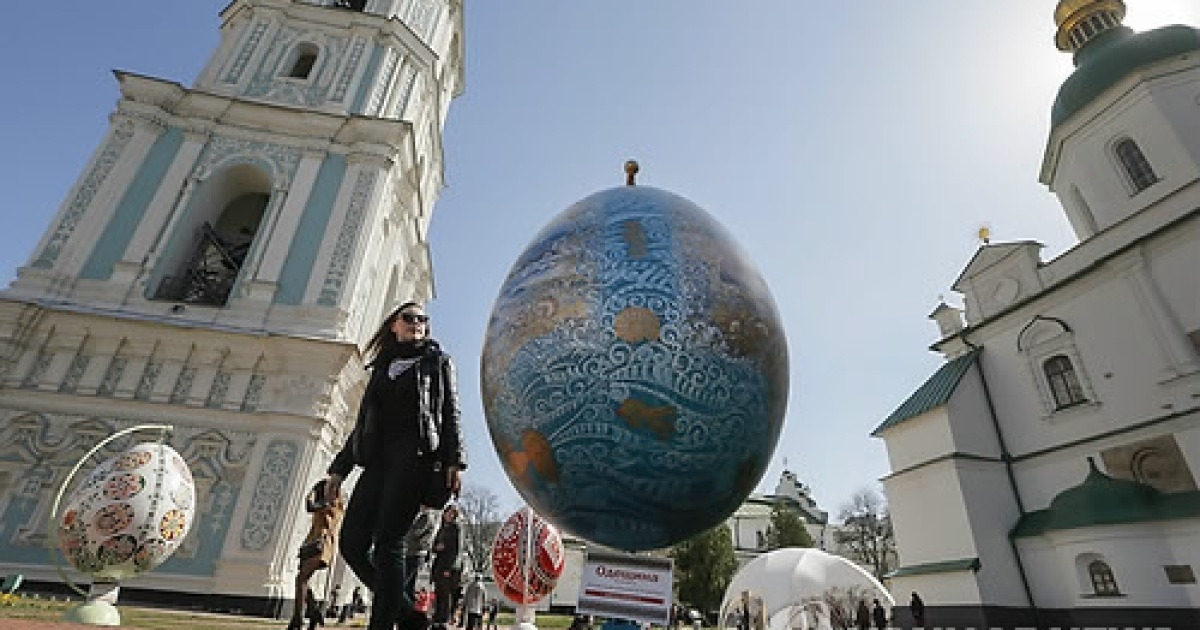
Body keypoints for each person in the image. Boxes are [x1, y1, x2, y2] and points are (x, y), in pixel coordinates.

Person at [324, 302, 467, 630]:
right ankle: (406, 614)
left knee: (389, 542)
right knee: (352, 544)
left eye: (423, 319)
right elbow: (363, 426)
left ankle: (383, 623)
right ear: (394, 325)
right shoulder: (382, 367)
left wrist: (454, 461)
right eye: (410, 317)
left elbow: (451, 413)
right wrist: (339, 469)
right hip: (377, 463)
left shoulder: (437, 362)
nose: (417, 323)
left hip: (415, 460)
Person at [288, 481, 345, 630]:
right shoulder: (336, 503)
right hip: (313, 540)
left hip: (321, 542)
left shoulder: (330, 504)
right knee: (303, 578)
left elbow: (310, 506)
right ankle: (314, 613)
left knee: (302, 578)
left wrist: (311, 493)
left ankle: (298, 619)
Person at [431, 504, 465, 630]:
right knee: (438, 593)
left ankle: (443, 620)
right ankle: (437, 619)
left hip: (448, 565)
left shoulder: (456, 528)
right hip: (439, 563)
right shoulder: (442, 528)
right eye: (448, 513)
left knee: (445, 594)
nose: (449, 516)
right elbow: (434, 545)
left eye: (452, 514)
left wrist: (449, 568)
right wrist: (437, 547)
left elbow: (456, 549)